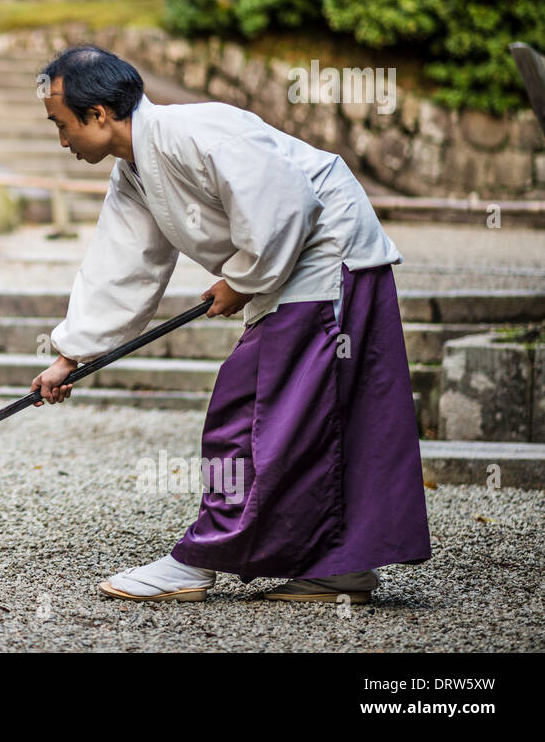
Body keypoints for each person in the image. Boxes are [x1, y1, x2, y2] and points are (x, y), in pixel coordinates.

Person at [28, 46, 431, 603]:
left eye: (62, 124)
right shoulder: (135, 171)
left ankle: (200, 560)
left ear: (98, 115)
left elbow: (288, 203)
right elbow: (122, 265)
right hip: (289, 268)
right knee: (313, 415)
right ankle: (341, 567)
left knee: (249, 408)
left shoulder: (196, 131)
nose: (62, 140)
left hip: (324, 255)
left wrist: (242, 279)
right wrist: (70, 355)